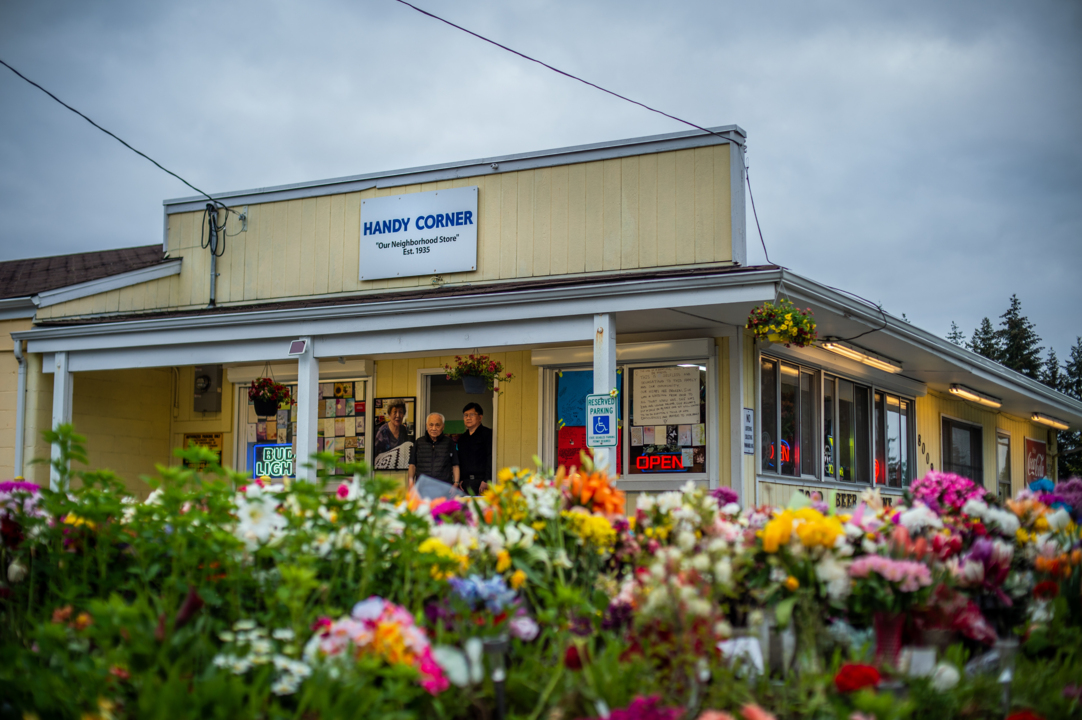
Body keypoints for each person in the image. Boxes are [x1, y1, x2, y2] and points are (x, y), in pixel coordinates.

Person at [408, 412, 460, 489]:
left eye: (437, 425)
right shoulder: (419, 442)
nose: (434, 428)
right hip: (422, 488)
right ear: (426, 425)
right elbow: (412, 465)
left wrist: (456, 483)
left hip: (444, 488)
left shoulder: (449, 442)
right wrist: (410, 483)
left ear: (443, 426)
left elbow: (455, 465)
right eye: (431, 425)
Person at [456, 402, 492, 494]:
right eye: (465, 415)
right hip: (465, 483)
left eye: (472, 415)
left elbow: (490, 457)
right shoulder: (462, 438)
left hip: (482, 483)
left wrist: (487, 480)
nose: (468, 418)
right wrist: (460, 479)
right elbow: (459, 460)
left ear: (480, 417)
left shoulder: (488, 434)